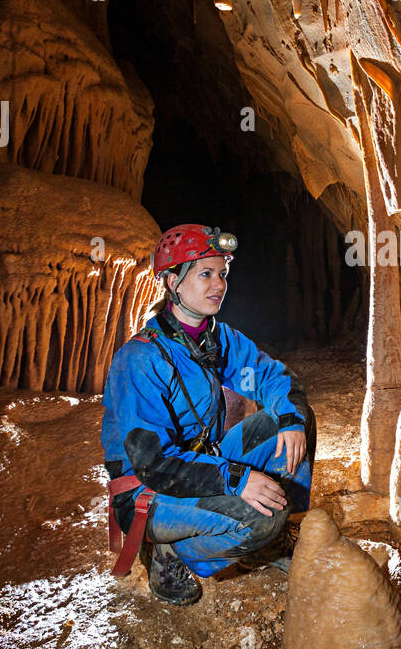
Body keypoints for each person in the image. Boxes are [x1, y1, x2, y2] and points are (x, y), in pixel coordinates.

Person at [101, 223, 316, 605]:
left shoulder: (215, 339)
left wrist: (289, 417)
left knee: (295, 418)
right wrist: (236, 480)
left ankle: (272, 539)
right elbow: (154, 464)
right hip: (150, 490)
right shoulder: (141, 359)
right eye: (205, 274)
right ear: (173, 283)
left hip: (203, 460)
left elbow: (270, 377)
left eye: (222, 274)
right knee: (261, 517)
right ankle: (172, 553)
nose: (218, 284)